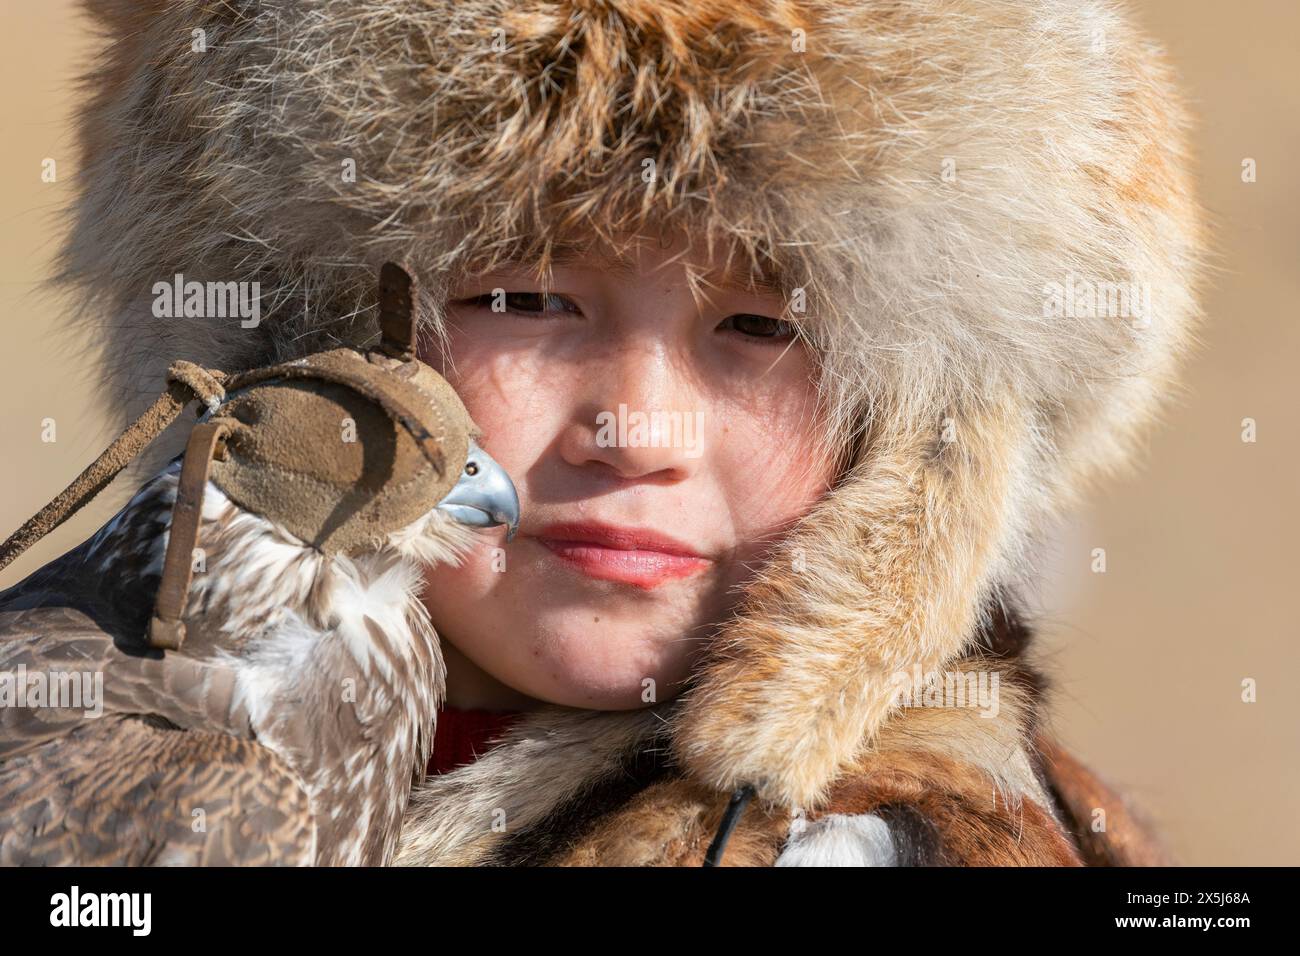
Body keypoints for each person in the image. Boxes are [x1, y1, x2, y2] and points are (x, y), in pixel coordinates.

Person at [56, 0, 1203, 865]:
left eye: (763, 323)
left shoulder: (867, 843)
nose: (634, 429)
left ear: (932, 435)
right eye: (524, 299)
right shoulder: (69, 746)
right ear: (300, 346)